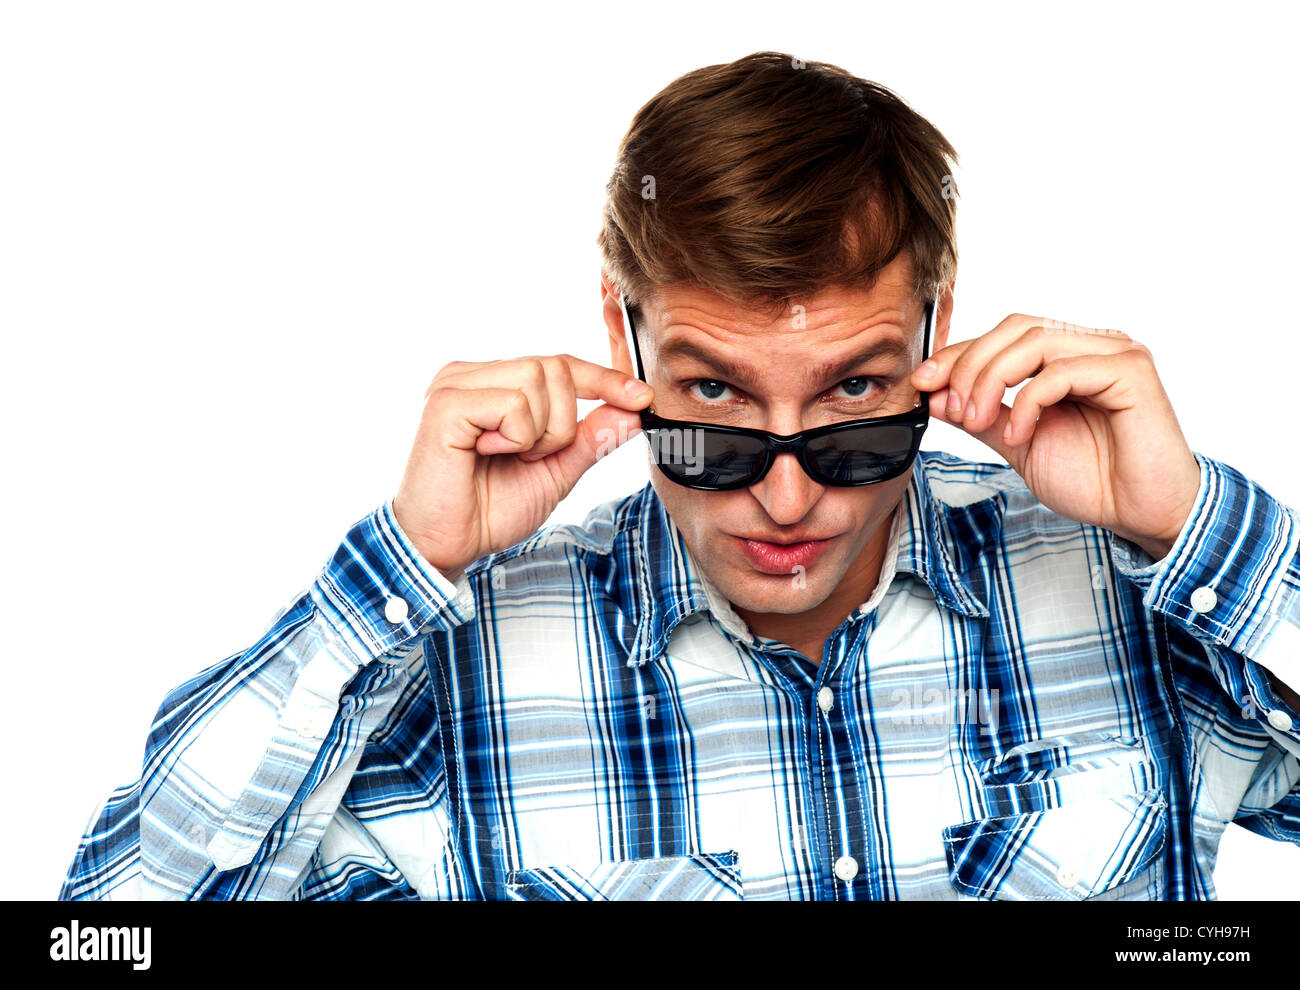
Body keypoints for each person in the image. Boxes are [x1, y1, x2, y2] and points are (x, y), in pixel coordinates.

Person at [59, 51, 1300, 901]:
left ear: (935, 329)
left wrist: (1191, 524)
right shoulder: (450, 666)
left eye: (854, 404)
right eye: (712, 404)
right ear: (622, 334)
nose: (787, 496)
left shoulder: (1146, 592)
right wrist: (401, 571)